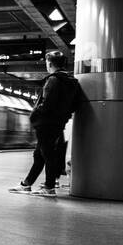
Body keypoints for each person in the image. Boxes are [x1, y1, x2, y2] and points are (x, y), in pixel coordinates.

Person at [11, 50, 88, 196]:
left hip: (45, 123)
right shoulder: (72, 82)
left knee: (47, 154)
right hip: (58, 122)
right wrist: (63, 115)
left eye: (47, 62)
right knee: (40, 154)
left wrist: (35, 115)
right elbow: (76, 104)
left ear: (50, 63)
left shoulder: (53, 80)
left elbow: (46, 103)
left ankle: (49, 187)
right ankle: (26, 184)